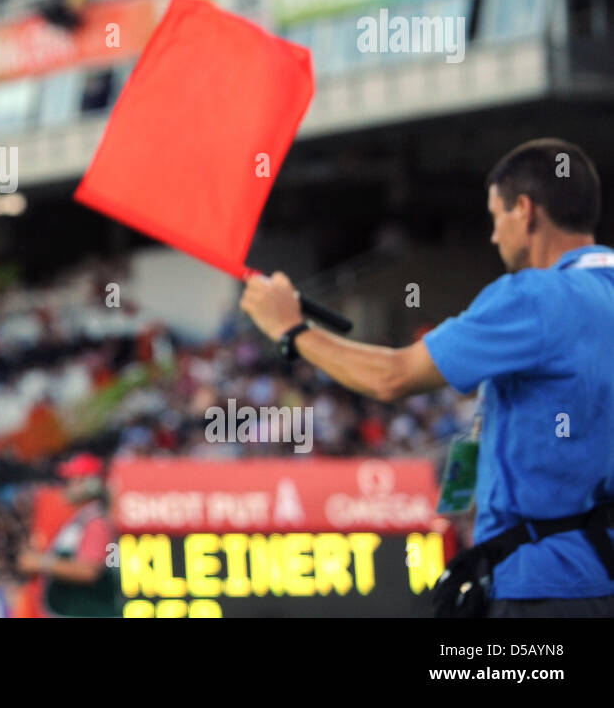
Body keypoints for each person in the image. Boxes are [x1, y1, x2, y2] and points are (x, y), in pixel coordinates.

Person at [240, 138, 614, 617]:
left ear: (525, 211)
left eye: (495, 216)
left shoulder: (535, 297)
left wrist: (290, 329)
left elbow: (392, 377)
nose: (494, 236)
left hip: (542, 588)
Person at [17, 453, 120, 617]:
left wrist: (40, 562)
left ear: (90, 484)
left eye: (71, 480)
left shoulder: (95, 522)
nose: (64, 486)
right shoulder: (83, 519)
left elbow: (89, 570)